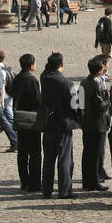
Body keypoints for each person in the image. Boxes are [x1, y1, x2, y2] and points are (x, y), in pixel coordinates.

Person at [40, 52, 79, 199]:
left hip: (48, 122)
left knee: (48, 159)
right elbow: (75, 104)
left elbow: (45, 71)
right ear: (61, 65)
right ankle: (64, 190)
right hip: (63, 123)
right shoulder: (66, 83)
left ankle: (46, 189)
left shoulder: (44, 77)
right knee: (64, 158)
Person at [11, 53, 43, 192]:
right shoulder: (32, 80)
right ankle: (34, 183)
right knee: (35, 153)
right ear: (31, 65)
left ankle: (24, 181)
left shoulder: (17, 78)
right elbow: (37, 100)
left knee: (22, 153)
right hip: (31, 118)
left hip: (19, 118)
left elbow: (11, 91)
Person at [79, 55, 111, 191]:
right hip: (97, 123)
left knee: (87, 152)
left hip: (86, 122)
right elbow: (101, 105)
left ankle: (87, 180)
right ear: (99, 70)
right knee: (96, 153)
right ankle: (94, 181)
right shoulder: (96, 84)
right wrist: (109, 100)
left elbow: (80, 102)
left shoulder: (84, 82)